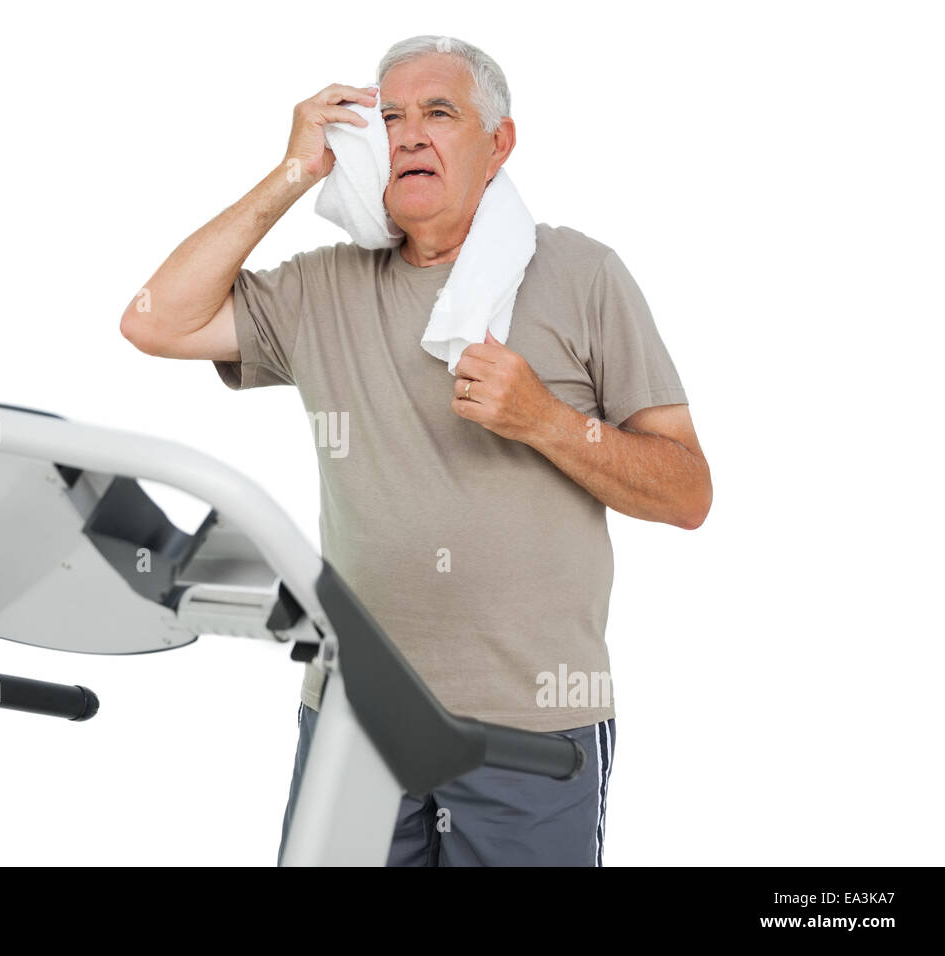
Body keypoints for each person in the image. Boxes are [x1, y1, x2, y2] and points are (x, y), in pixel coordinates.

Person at [120, 34, 711, 866]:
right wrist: (293, 173)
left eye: (440, 112)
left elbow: (687, 492)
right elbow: (155, 319)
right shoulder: (323, 286)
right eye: (388, 116)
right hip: (356, 721)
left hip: (530, 728)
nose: (407, 134)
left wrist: (545, 419)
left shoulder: (583, 274)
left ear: (498, 144)